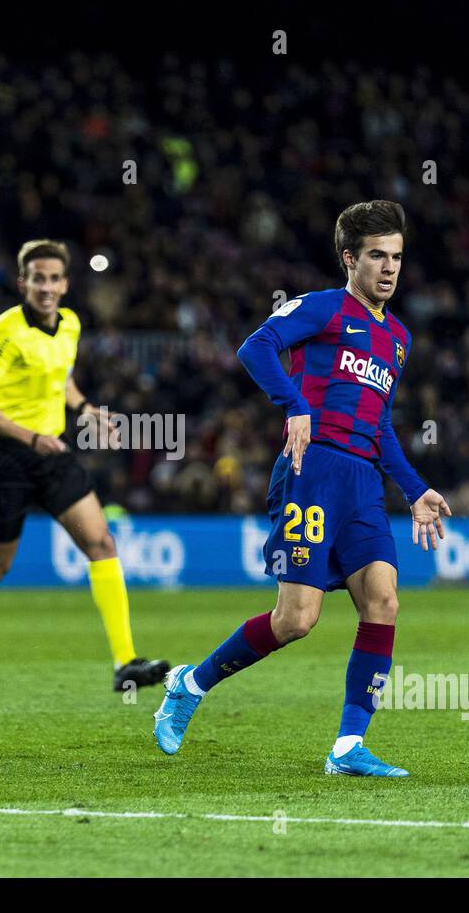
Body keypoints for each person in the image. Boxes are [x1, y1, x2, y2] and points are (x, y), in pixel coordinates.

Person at [152, 200, 451, 776]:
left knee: (384, 600)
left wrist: (414, 489)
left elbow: (380, 422)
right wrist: (293, 405)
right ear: (349, 258)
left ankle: (347, 749)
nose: (389, 268)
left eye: (396, 257)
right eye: (376, 256)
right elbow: (254, 346)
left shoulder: (397, 338)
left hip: (363, 483)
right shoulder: (323, 308)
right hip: (310, 472)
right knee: (296, 620)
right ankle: (190, 683)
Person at [0, 239, 169, 693]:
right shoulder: (6, 330)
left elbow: (60, 378)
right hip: (7, 458)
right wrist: (31, 438)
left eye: (54, 279)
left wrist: (85, 408)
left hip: (52, 454)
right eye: (37, 279)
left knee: (101, 542)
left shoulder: (70, 324)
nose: (46, 287)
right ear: (23, 282)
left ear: (65, 284)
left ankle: (126, 662)